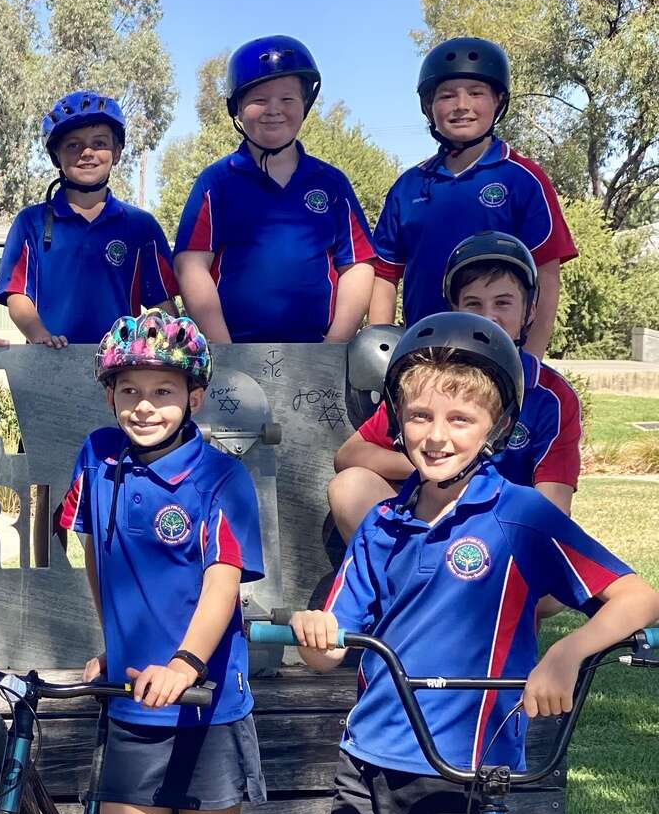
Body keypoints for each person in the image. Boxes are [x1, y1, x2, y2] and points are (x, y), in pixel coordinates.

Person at [249, 314, 659, 814]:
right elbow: (334, 647)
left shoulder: (520, 518)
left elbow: (635, 595)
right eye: (421, 416)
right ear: (397, 421)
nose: (437, 435)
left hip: (459, 769)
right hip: (371, 758)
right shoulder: (384, 526)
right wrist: (319, 637)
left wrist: (565, 654)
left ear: (496, 427)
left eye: (460, 417)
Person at [59, 310, 266, 814]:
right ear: (111, 394)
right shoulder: (96, 457)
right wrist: (112, 648)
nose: (145, 405)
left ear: (195, 397)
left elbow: (222, 584)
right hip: (134, 710)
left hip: (207, 708)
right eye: (130, 390)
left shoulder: (222, 479)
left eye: (164, 391)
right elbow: (92, 550)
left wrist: (184, 663)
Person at [329, 231, 581, 543]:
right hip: (426, 523)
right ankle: (404, 571)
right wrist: (433, 463)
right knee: (350, 485)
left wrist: (473, 478)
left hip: (504, 533)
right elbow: (350, 454)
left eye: (503, 303)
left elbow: (554, 507)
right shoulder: (428, 375)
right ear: (455, 310)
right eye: (473, 304)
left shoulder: (552, 396)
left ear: (529, 310)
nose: (488, 317)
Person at [368, 37, 577, 358]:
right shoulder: (408, 187)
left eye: (476, 93)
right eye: (447, 95)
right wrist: (381, 353)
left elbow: (546, 279)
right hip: (423, 356)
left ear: (498, 101)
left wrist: (530, 361)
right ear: (429, 106)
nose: (462, 105)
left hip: (498, 358)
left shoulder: (523, 179)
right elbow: (385, 275)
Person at [174, 36, 375, 344]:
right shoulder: (216, 182)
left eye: (287, 99)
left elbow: (357, 266)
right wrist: (223, 350)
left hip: (317, 351)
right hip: (234, 349)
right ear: (237, 109)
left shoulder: (331, 183)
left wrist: (335, 346)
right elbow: (191, 266)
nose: (274, 110)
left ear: (305, 104)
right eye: (259, 100)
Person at [0, 92, 177, 349]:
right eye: (73, 145)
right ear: (56, 155)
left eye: (99, 143)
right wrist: (39, 335)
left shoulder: (141, 226)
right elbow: (17, 295)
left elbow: (162, 303)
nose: (87, 152)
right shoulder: (30, 223)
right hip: (48, 361)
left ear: (117, 152)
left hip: (121, 365)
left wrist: (177, 346)